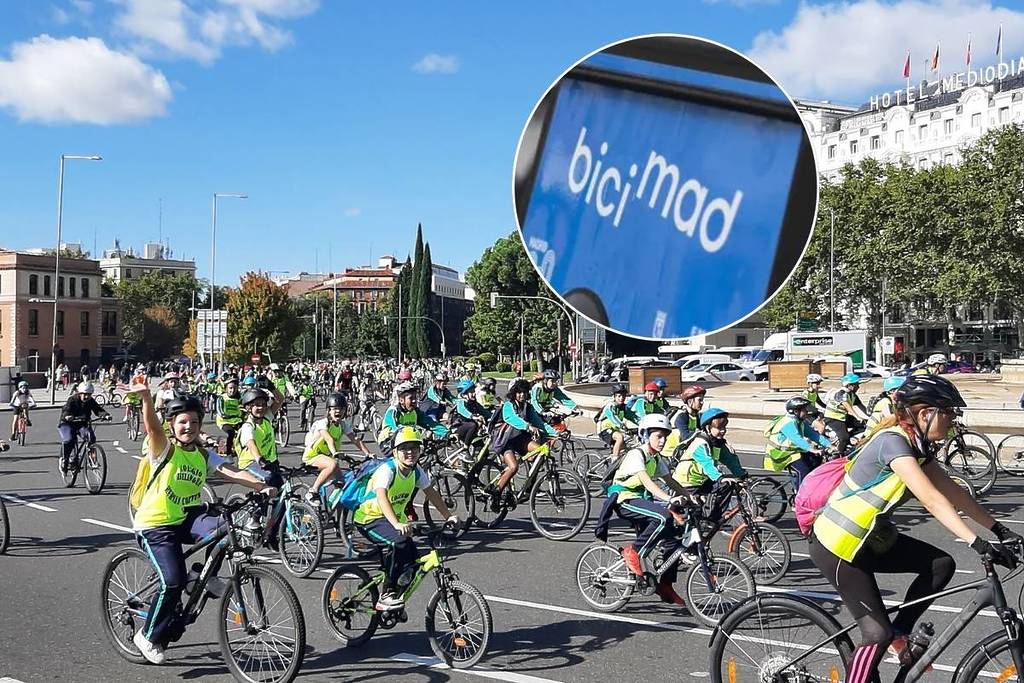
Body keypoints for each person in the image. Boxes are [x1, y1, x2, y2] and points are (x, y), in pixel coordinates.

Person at [809, 374, 1022, 681]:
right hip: (837, 545)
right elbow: (933, 501)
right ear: (925, 414)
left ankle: (900, 636)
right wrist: (978, 544)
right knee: (875, 634)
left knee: (939, 565)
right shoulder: (892, 443)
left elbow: (955, 493)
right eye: (948, 412)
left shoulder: (917, 445)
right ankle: (885, 640)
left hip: (869, 540)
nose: (952, 420)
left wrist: (1000, 530)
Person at [128, 386, 275, 665]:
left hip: (187, 517)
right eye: (183, 422)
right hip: (155, 525)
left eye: (194, 422)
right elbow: (152, 428)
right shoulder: (164, 448)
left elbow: (230, 471)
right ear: (172, 425)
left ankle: (201, 575)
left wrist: (262, 486)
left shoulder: (201, 454)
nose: (189, 427)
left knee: (226, 528)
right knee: (172, 583)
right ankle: (147, 636)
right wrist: (146, 398)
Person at [353, 427, 458, 610]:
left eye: (414, 448)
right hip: (369, 518)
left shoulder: (416, 471)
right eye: (404, 448)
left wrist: (449, 516)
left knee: (414, 563)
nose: (410, 452)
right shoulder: (388, 470)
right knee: (398, 543)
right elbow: (381, 497)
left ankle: (395, 604)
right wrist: (396, 524)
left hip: (393, 521)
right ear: (395, 451)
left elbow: (432, 494)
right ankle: (386, 594)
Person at [609, 413, 688, 605]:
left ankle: (665, 586)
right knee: (662, 517)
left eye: (665, 437)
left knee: (673, 543)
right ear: (645, 435)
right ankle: (632, 552)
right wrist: (669, 498)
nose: (662, 441)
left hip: (641, 500)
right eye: (658, 436)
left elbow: (670, 480)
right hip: (624, 499)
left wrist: (690, 497)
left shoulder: (656, 458)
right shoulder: (637, 454)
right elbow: (646, 480)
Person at [488, 378, 557, 510]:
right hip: (505, 441)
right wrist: (528, 427)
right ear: (514, 393)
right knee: (513, 467)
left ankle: (529, 488)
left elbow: (540, 423)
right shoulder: (508, 405)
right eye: (519, 392)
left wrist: (556, 433)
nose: (522, 395)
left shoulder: (528, 407)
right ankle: (496, 493)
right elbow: (512, 418)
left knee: (541, 452)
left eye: (524, 392)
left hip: (519, 439)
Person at [302, 392, 372, 505]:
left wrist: (368, 454)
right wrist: (335, 453)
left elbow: (355, 439)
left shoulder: (343, 425)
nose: (338, 411)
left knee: (342, 484)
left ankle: (329, 506)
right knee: (333, 464)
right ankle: (313, 491)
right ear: (328, 410)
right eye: (334, 409)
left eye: (341, 409)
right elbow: (329, 439)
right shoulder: (322, 423)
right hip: (313, 457)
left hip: (327, 458)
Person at [671, 408, 747, 494]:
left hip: (702, 481)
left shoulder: (717, 443)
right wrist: (720, 478)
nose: (723, 431)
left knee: (728, 485)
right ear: (708, 428)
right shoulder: (700, 443)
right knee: (723, 485)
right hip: (687, 483)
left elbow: (730, 460)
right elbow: (707, 464)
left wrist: (741, 475)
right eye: (719, 428)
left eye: (724, 427)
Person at [763, 397, 831, 488]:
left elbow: (814, 435)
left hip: (792, 452)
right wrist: (812, 449)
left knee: (815, 461)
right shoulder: (788, 423)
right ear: (796, 412)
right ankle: (799, 497)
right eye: (804, 410)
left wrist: (830, 445)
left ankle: (808, 487)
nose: (807, 412)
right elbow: (797, 439)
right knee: (803, 470)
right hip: (781, 454)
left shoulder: (800, 422)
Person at [235, 383, 286, 489]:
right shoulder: (248, 426)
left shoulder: (266, 418)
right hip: (251, 464)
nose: (261, 407)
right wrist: (259, 459)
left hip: (270, 462)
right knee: (269, 481)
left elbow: (280, 399)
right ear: (249, 408)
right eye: (257, 405)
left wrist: (270, 385)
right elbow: (251, 443)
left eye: (263, 404)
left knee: (281, 489)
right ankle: (260, 505)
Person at [379, 381, 449, 453]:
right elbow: (394, 429)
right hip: (388, 443)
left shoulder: (415, 411)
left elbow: (431, 424)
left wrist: (447, 434)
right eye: (411, 398)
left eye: (415, 397)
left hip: (407, 440)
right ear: (401, 400)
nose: (414, 401)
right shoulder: (393, 412)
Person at [58, 382, 110, 473]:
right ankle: (64, 460)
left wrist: (105, 415)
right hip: (68, 424)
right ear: (79, 393)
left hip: (82, 424)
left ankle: (92, 460)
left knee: (91, 437)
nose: (86, 397)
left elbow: (98, 409)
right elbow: (66, 410)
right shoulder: (72, 400)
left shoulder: (90, 401)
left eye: (89, 395)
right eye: (84, 394)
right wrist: (67, 416)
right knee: (70, 439)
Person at [823, 373, 871, 454]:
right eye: (856, 385)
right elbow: (848, 406)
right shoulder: (841, 393)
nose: (858, 387)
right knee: (844, 437)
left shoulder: (852, 395)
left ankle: (847, 441)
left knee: (865, 425)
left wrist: (871, 416)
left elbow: (862, 407)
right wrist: (857, 417)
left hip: (843, 417)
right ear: (850, 385)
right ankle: (839, 454)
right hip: (833, 418)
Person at [596, 383, 639, 458]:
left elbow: (633, 417)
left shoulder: (623, 407)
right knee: (620, 437)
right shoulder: (610, 406)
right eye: (619, 396)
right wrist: (621, 425)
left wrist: (643, 423)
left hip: (615, 429)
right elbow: (613, 417)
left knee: (625, 450)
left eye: (623, 396)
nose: (621, 398)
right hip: (604, 429)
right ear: (614, 397)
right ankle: (614, 460)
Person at [450, 379, 491, 450]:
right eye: (471, 392)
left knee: (483, 451)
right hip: (458, 428)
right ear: (464, 394)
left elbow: (484, 411)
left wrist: (495, 416)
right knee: (473, 425)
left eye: (474, 391)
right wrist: (473, 416)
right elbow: (463, 410)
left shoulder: (473, 403)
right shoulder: (461, 402)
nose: (474, 393)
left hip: (470, 430)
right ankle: (465, 448)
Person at [666, 384, 706, 455]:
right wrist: (701, 434)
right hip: (669, 455)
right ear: (690, 401)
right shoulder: (681, 416)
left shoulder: (696, 416)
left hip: (682, 452)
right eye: (699, 400)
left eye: (702, 400)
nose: (702, 402)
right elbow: (685, 437)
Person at [214, 377, 244, 456]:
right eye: (230, 388)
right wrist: (225, 415)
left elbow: (242, 408)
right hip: (224, 421)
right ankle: (228, 453)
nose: (232, 390)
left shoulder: (239, 398)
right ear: (226, 388)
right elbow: (220, 411)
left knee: (245, 430)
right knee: (231, 433)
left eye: (234, 388)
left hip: (236, 420)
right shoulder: (221, 398)